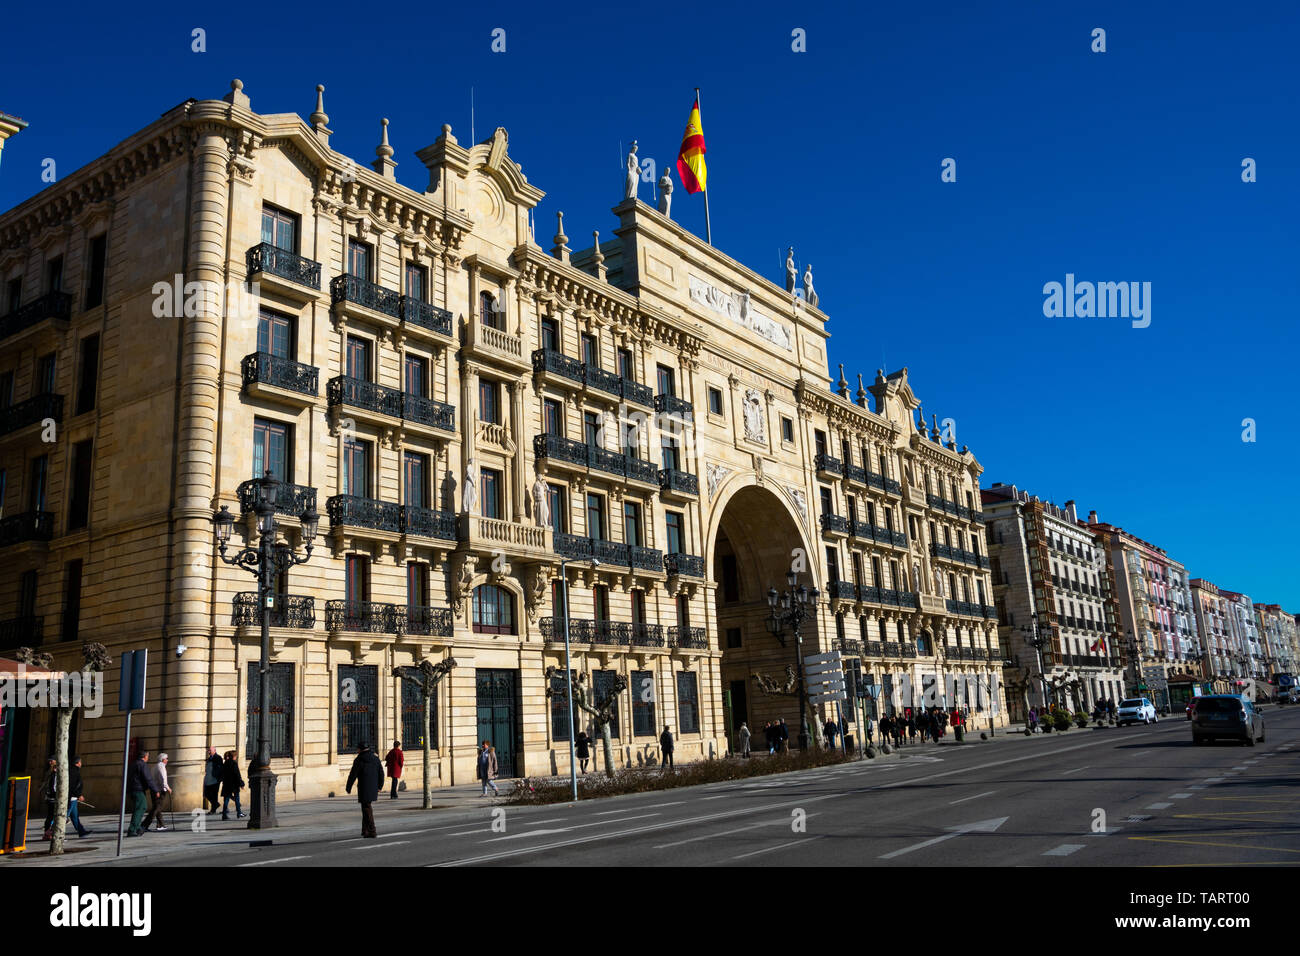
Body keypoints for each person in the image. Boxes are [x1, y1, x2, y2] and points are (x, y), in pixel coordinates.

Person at [345, 741, 385, 838]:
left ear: (361, 749)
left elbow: (353, 775)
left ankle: (372, 830)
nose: (356, 750)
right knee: (366, 807)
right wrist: (380, 786)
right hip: (373, 787)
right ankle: (365, 830)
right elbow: (381, 773)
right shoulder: (375, 758)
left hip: (364, 786)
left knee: (367, 808)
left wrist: (348, 787)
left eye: (357, 749)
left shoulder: (359, 760)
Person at [126, 748, 151, 837]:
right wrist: (154, 789)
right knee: (140, 808)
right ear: (145, 756)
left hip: (133, 789)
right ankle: (133, 829)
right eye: (148, 756)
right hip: (138, 790)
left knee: (141, 807)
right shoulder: (142, 764)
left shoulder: (133, 764)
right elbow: (147, 778)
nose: (148, 758)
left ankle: (137, 827)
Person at [146, 753, 171, 831]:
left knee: (157, 808)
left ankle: (160, 825)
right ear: (163, 759)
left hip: (154, 789)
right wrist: (168, 788)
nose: (167, 760)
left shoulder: (155, 766)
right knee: (157, 808)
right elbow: (163, 780)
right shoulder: (161, 767)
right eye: (166, 758)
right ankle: (145, 825)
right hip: (159, 790)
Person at [67, 756, 90, 837]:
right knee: (64, 816)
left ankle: (81, 831)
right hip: (72, 797)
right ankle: (53, 832)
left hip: (73, 797)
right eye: (80, 762)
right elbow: (72, 785)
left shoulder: (74, 771)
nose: (81, 763)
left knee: (75, 816)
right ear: (77, 763)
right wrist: (78, 795)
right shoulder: (73, 772)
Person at [220, 750, 245, 820]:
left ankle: (224, 814)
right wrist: (241, 784)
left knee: (226, 799)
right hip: (234, 784)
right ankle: (239, 812)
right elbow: (237, 775)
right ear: (234, 756)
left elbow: (223, 774)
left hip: (226, 784)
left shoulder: (225, 763)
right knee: (237, 798)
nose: (236, 757)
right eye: (236, 756)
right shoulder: (234, 763)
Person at [41, 757, 58, 840]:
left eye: (51, 760)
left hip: (50, 797)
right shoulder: (52, 774)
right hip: (52, 798)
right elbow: (53, 787)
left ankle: (47, 833)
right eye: (49, 761)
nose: (50, 762)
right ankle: (49, 833)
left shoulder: (49, 772)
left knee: (50, 816)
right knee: (53, 816)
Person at [203, 746, 223, 813]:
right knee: (206, 793)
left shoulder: (218, 758)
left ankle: (213, 809)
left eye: (210, 750)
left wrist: (218, 777)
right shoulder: (209, 759)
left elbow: (220, 768)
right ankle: (216, 804)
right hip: (209, 779)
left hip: (215, 779)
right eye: (208, 751)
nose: (208, 752)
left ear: (214, 750)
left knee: (214, 794)